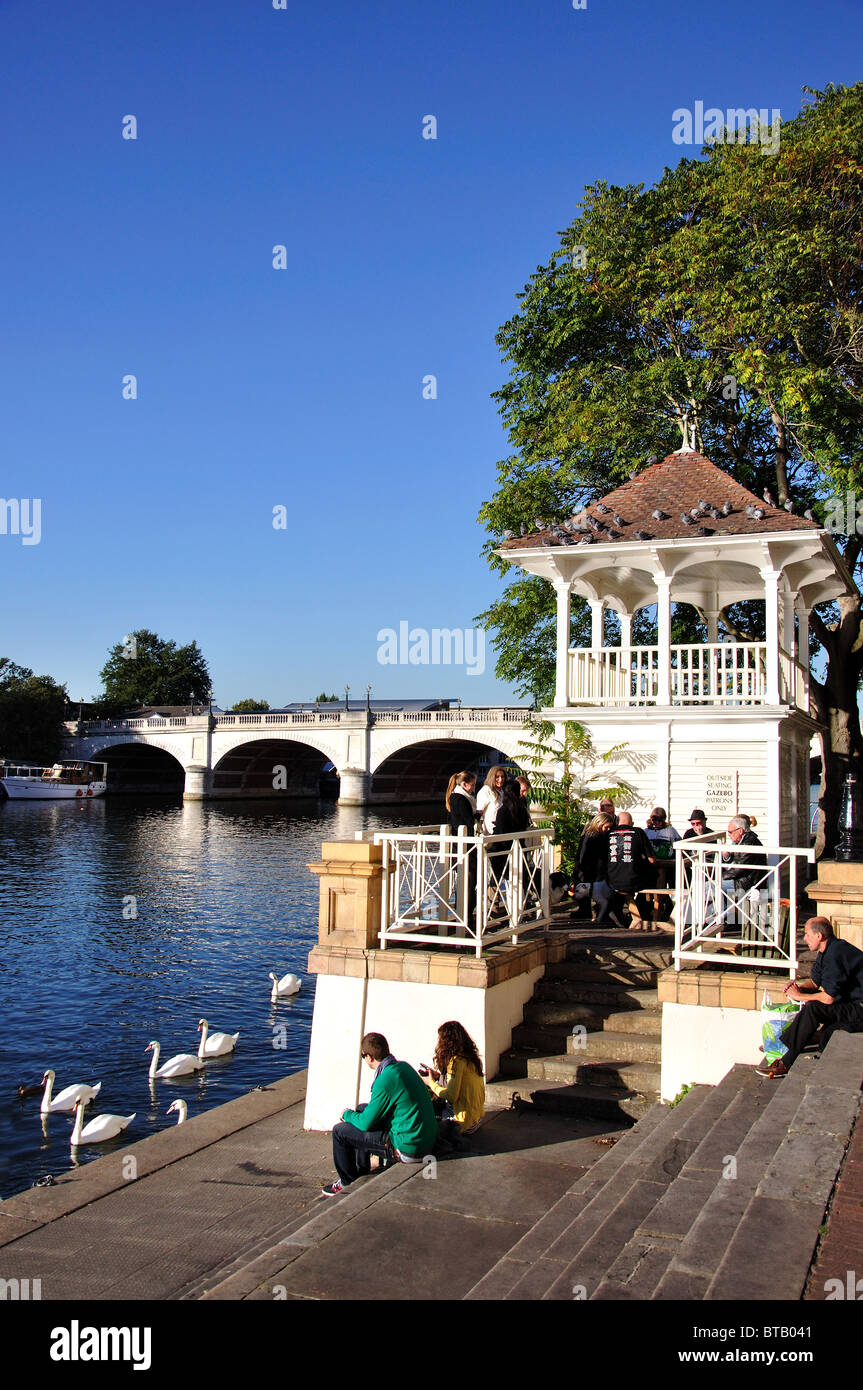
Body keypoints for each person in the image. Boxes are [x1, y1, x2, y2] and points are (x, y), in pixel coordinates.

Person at [323, 1032, 438, 1196]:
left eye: (363, 1056)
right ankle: (362, 1169)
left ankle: (347, 1182)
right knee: (362, 1108)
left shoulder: (385, 1079)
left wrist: (346, 1114)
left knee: (340, 1131)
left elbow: (365, 1124)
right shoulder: (403, 1066)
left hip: (409, 1149)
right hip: (426, 1140)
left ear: (369, 1057)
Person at [758, 918, 863, 1077]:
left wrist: (799, 996)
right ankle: (789, 1041)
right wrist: (797, 988)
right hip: (850, 1003)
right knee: (815, 1012)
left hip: (859, 1008)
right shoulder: (826, 951)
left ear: (819, 936)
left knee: (813, 1008)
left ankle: (785, 1061)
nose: (804, 939)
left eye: (807, 934)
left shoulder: (835, 954)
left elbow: (828, 998)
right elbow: (814, 982)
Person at [421, 1021, 485, 1141]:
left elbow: (451, 1096)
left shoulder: (455, 1062)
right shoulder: (471, 1059)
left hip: (462, 1122)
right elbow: (459, 1085)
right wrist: (439, 1077)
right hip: (477, 1118)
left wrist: (430, 1083)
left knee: (425, 1117)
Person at [606, 812, 656, 926]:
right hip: (632, 882)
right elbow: (652, 860)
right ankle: (644, 911)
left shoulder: (608, 833)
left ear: (617, 823)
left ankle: (618, 912)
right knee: (653, 877)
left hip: (611, 881)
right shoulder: (638, 832)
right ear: (632, 823)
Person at [490, 780, 530, 917]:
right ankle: (520, 912)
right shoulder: (522, 809)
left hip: (504, 853)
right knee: (517, 883)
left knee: (499, 881)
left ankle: (501, 913)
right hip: (519, 850)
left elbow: (501, 832)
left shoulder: (503, 810)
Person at [444, 771, 478, 923]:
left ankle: (464, 913)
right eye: (472, 784)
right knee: (468, 881)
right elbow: (467, 822)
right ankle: (465, 915)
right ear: (464, 784)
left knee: (467, 880)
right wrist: (478, 815)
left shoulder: (457, 797)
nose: (474, 788)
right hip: (464, 846)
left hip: (463, 845)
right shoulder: (461, 799)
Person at [576, 812, 616, 924]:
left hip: (595, 868)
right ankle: (593, 912)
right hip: (590, 868)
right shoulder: (592, 836)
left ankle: (595, 911)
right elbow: (583, 853)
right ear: (599, 824)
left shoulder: (596, 835)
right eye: (606, 827)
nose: (608, 829)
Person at [722, 815, 766, 894]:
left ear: (740, 831)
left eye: (730, 832)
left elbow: (739, 870)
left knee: (707, 887)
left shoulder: (749, 844)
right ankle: (721, 906)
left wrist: (720, 876)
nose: (728, 834)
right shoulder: (742, 841)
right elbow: (735, 861)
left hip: (747, 884)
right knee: (711, 890)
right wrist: (727, 856)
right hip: (741, 880)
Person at [476, 765, 507, 834]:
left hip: (503, 826)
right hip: (491, 828)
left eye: (502, 777)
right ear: (492, 777)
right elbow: (479, 811)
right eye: (497, 777)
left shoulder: (503, 791)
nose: (500, 779)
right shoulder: (486, 790)